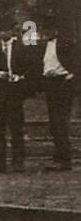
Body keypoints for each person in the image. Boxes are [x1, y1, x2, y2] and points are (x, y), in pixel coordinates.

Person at [0, 15, 40, 173]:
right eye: (1, 31)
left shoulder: (22, 48)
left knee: (16, 129)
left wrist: (21, 77)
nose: (3, 33)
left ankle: (18, 162)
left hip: (14, 92)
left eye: (6, 30)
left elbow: (32, 67)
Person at [37, 18, 75, 171]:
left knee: (61, 122)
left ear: (56, 31)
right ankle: (59, 156)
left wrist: (70, 76)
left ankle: (65, 159)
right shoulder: (43, 46)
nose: (47, 33)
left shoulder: (65, 45)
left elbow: (76, 63)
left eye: (50, 30)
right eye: (45, 31)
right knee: (54, 122)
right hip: (50, 84)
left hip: (62, 83)